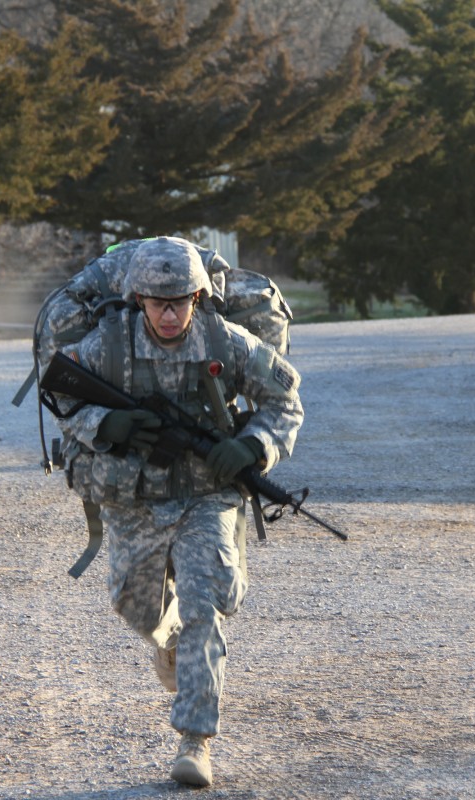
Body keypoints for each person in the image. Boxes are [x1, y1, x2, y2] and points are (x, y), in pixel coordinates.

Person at [52, 236, 304, 786]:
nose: (169, 314)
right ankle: (169, 646)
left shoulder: (227, 342)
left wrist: (255, 446)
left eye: (180, 302)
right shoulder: (106, 347)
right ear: (138, 300)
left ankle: (196, 741)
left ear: (197, 297)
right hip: (135, 500)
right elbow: (61, 394)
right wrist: (103, 424)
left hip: (206, 496)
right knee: (133, 605)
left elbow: (286, 402)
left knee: (205, 602)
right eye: (157, 303)